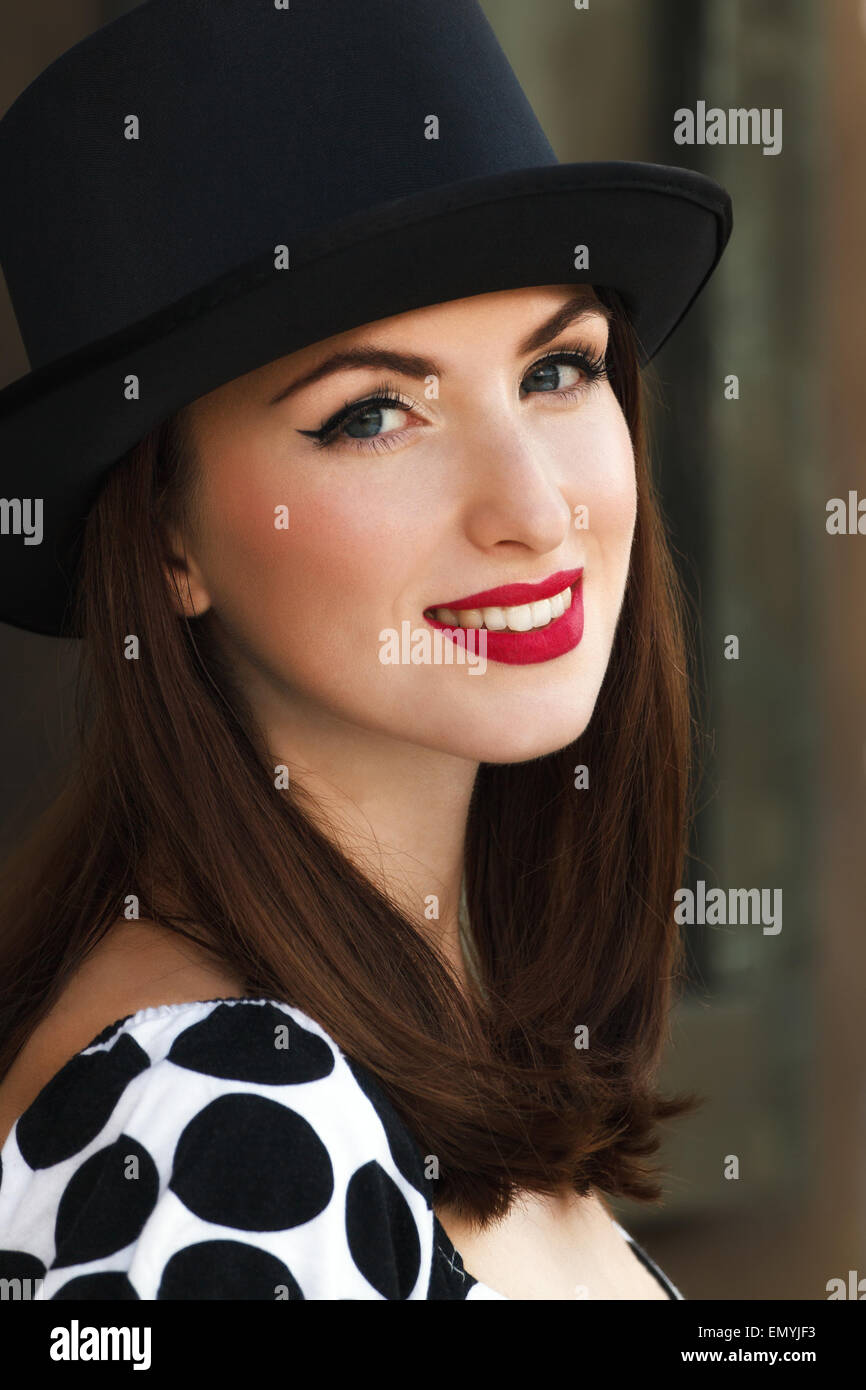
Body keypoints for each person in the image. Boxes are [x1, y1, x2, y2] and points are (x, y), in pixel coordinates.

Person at [0, 0, 732, 1300]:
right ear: (168, 538)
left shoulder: (407, 1040)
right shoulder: (211, 1132)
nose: (530, 508)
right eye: (374, 412)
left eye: (557, 370)